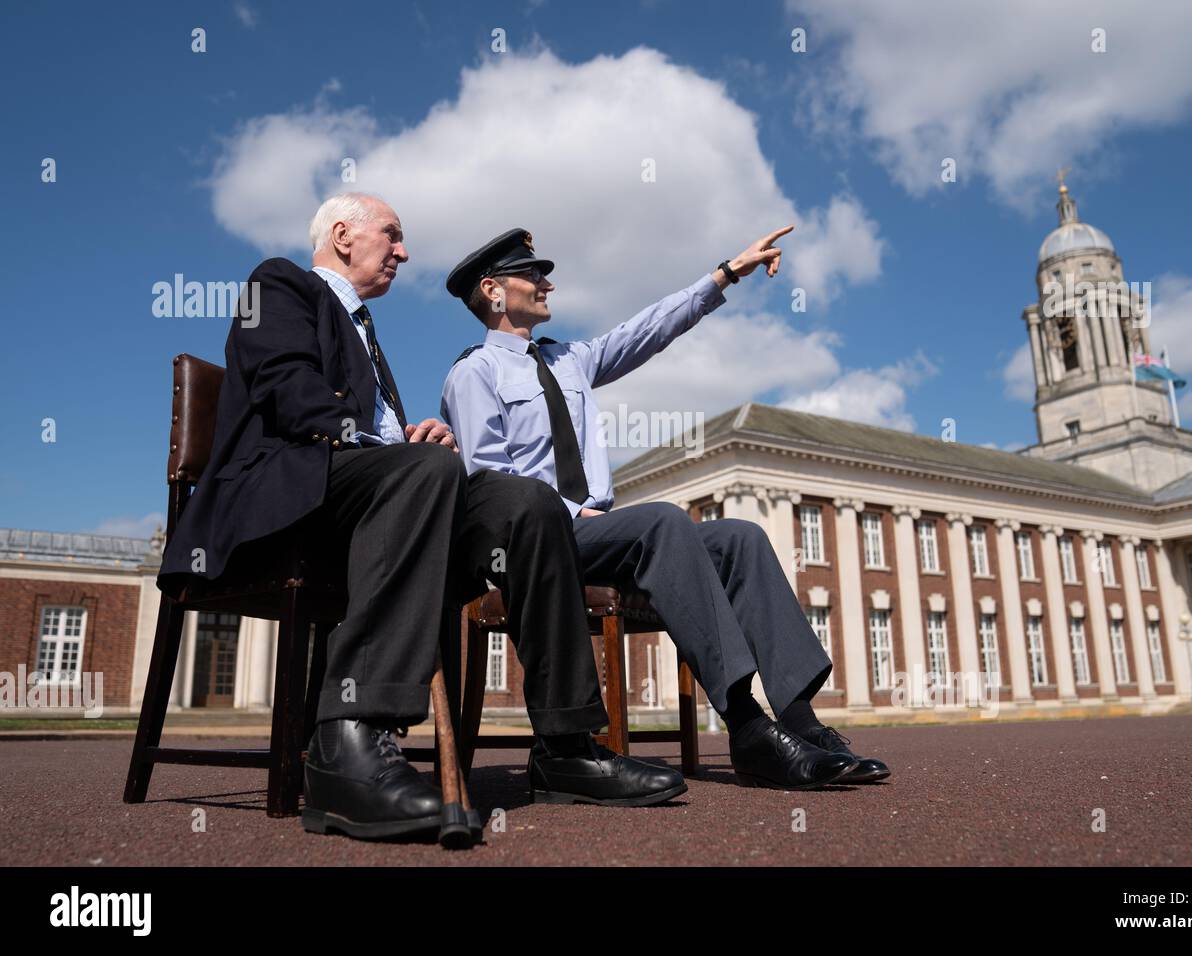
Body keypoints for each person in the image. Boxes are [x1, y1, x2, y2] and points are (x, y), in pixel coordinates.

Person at [158, 195, 686, 840]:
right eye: (393, 235)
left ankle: (566, 745)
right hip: (283, 496)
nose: (404, 252)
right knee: (423, 471)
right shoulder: (277, 283)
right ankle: (348, 742)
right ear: (344, 235)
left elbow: (374, 445)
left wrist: (414, 437)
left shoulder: (370, 334)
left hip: (371, 492)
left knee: (527, 502)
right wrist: (398, 450)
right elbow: (286, 390)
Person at [440, 227, 890, 789]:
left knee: (739, 538)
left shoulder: (570, 360)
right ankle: (747, 726)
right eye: (532, 274)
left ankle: (798, 721)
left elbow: (647, 331)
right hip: (538, 546)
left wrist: (725, 274)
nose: (546, 282)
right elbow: (491, 481)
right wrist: (573, 513)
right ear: (493, 289)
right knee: (660, 520)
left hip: (597, 538)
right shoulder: (473, 374)